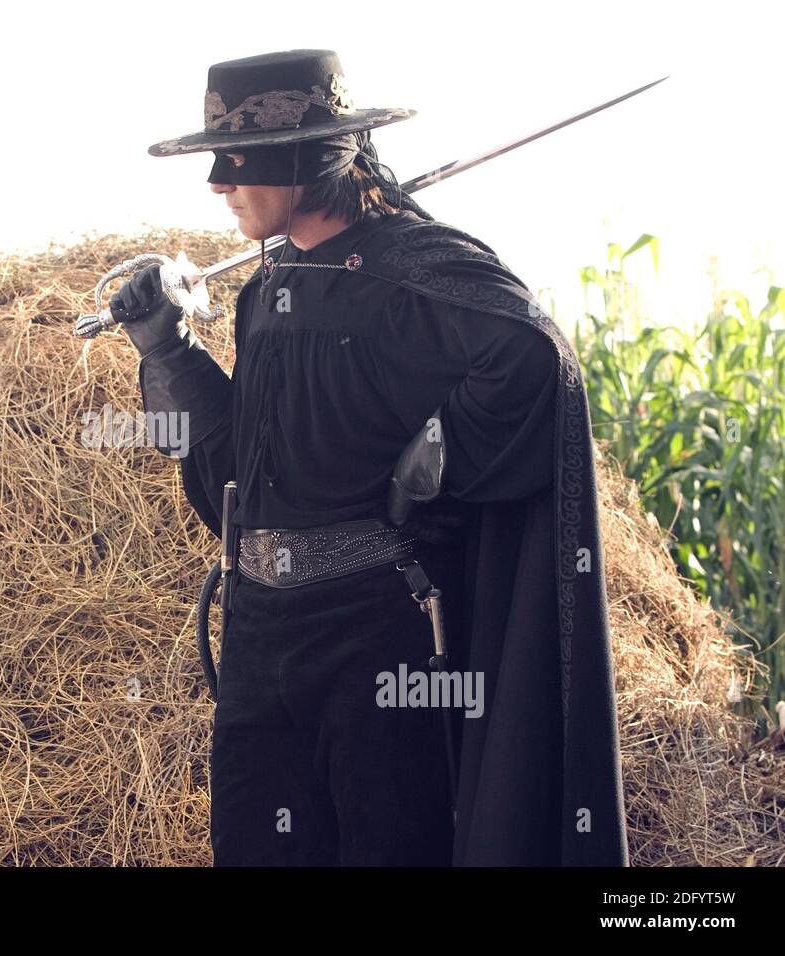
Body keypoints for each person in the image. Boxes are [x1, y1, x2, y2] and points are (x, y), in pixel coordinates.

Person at [110, 50, 629, 866]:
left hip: (374, 635)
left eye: (235, 160)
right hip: (258, 633)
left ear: (308, 156)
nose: (216, 182)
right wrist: (169, 348)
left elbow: (532, 356)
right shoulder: (269, 288)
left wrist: (427, 461)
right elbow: (236, 471)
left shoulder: (414, 268)